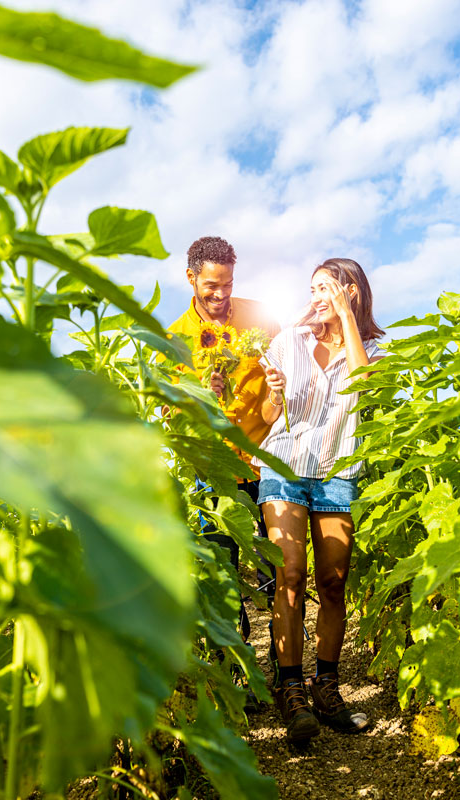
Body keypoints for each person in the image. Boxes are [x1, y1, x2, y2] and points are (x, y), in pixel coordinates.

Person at [254, 257, 385, 743]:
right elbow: (270, 414)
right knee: (289, 575)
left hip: (337, 472)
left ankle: (326, 686)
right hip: (284, 467)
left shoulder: (371, 349)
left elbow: (366, 387)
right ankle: (290, 689)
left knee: (333, 582)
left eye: (326, 287)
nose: (315, 296)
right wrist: (274, 392)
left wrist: (346, 317)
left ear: (351, 292)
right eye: (312, 288)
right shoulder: (289, 340)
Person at [167, 236, 280, 646]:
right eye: (211, 285)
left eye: (228, 284)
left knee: (278, 566)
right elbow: (170, 415)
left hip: (265, 459)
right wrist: (202, 396)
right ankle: (238, 662)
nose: (221, 294)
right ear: (191, 278)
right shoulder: (174, 339)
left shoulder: (260, 317)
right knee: (222, 568)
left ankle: (285, 661)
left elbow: (285, 366)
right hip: (212, 468)